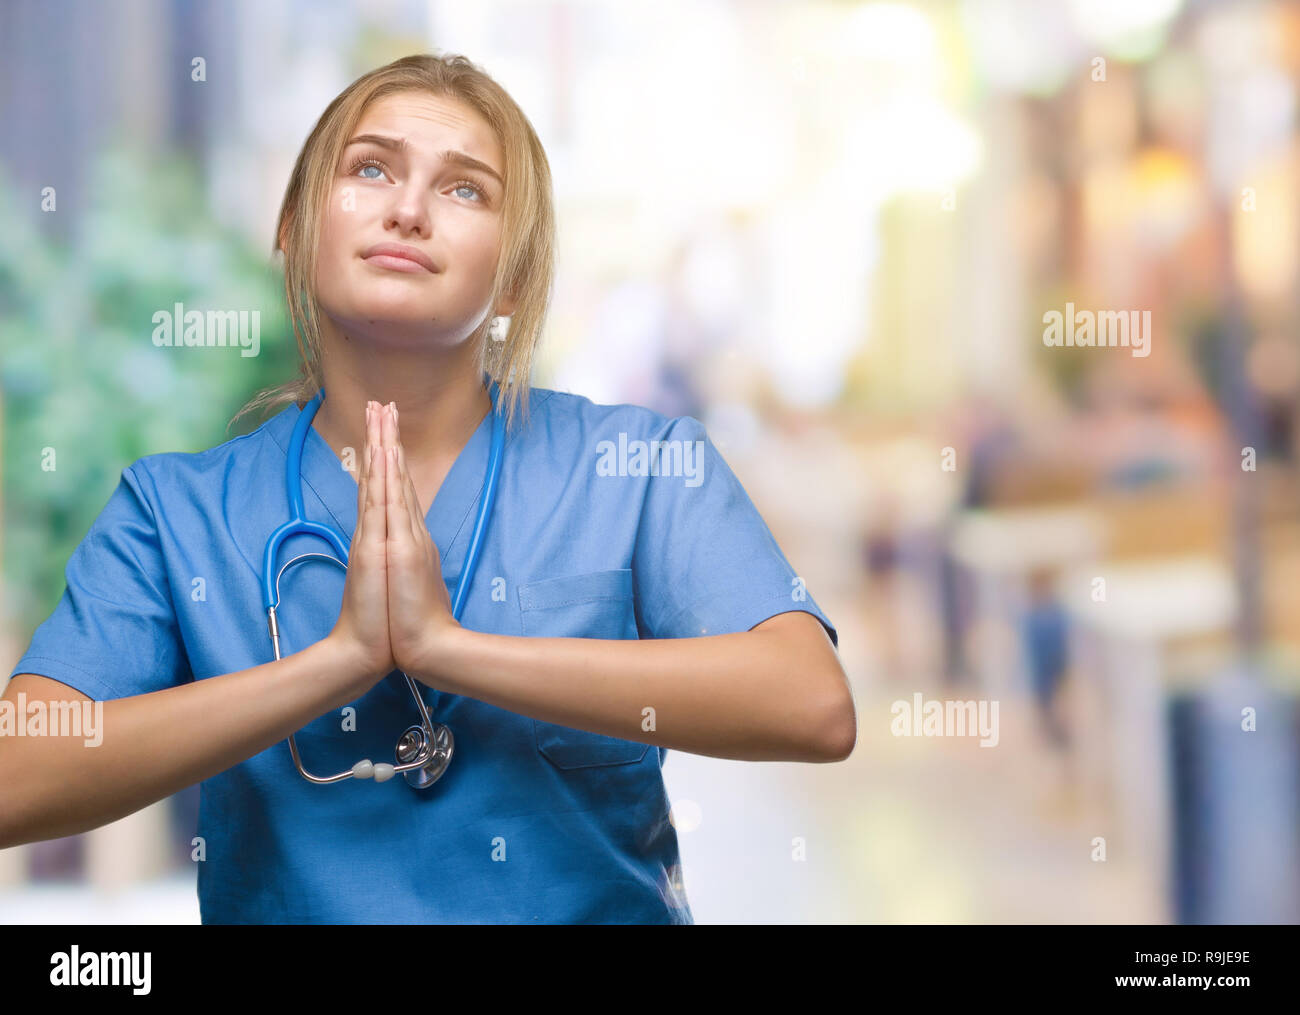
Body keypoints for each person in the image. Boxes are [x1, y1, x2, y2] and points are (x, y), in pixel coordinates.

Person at [0, 53, 852, 924]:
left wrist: (447, 648)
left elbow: (812, 703)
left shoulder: (640, 468)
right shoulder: (174, 513)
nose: (407, 210)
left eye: (464, 190)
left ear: (514, 275)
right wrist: (337, 662)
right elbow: (17, 777)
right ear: (292, 225)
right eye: (370, 168)